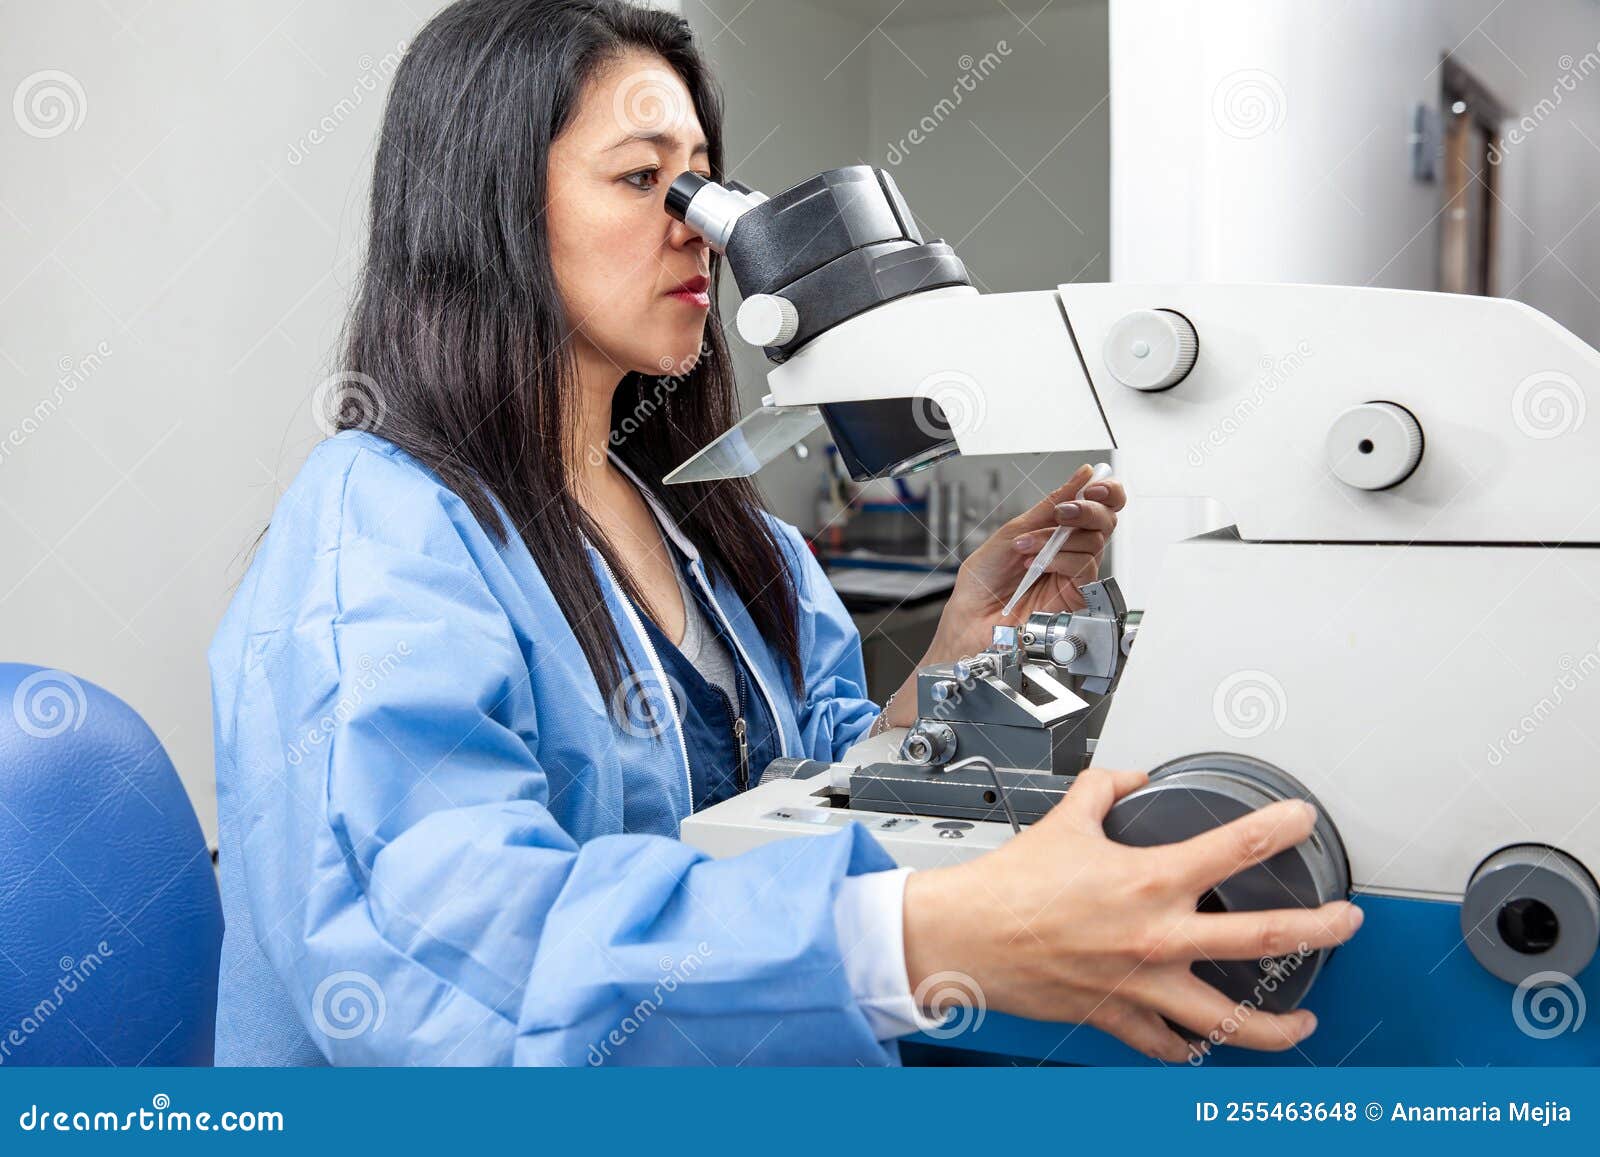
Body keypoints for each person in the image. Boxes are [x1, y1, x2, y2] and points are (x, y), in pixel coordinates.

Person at [209, 0, 1362, 1067]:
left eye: (704, 183)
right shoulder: (381, 526)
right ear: (494, 211)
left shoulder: (709, 527)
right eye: (644, 179)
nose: (700, 229)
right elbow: (431, 948)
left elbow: (812, 792)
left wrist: (968, 663)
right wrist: (911, 937)